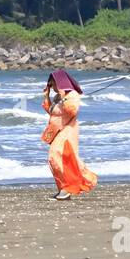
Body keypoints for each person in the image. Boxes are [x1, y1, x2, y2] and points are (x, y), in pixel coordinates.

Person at [41, 69, 97, 201]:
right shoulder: (56, 97)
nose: (53, 87)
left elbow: (71, 111)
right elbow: (51, 111)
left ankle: (67, 188)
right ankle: (63, 189)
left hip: (68, 130)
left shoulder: (72, 95)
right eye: (51, 85)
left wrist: (63, 96)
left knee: (55, 157)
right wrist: (47, 95)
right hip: (57, 131)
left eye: (54, 84)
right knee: (60, 160)